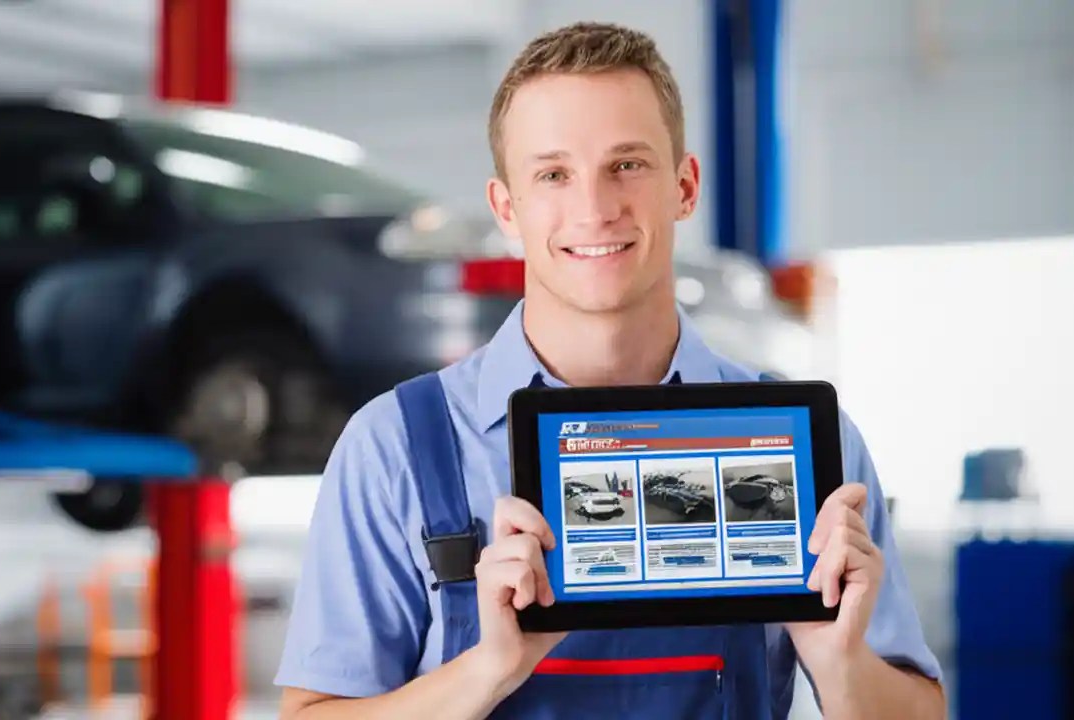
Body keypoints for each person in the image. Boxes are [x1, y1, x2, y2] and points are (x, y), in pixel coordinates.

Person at [276, 21, 945, 719]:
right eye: (554, 174)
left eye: (627, 164)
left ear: (684, 187)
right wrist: (489, 670)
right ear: (508, 208)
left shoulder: (808, 444)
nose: (594, 210)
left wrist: (838, 663)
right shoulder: (394, 448)